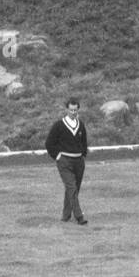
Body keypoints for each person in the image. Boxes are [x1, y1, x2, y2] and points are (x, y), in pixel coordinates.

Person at [44, 96, 89, 225]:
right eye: (71, 110)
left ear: (78, 110)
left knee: (74, 189)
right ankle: (79, 216)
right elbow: (49, 143)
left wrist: (83, 154)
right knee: (71, 187)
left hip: (78, 162)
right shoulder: (59, 125)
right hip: (64, 161)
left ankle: (66, 215)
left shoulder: (81, 125)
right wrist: (57, 156)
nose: (73, 112)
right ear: (66, 110)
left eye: (75, 110)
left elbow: (84, 142)